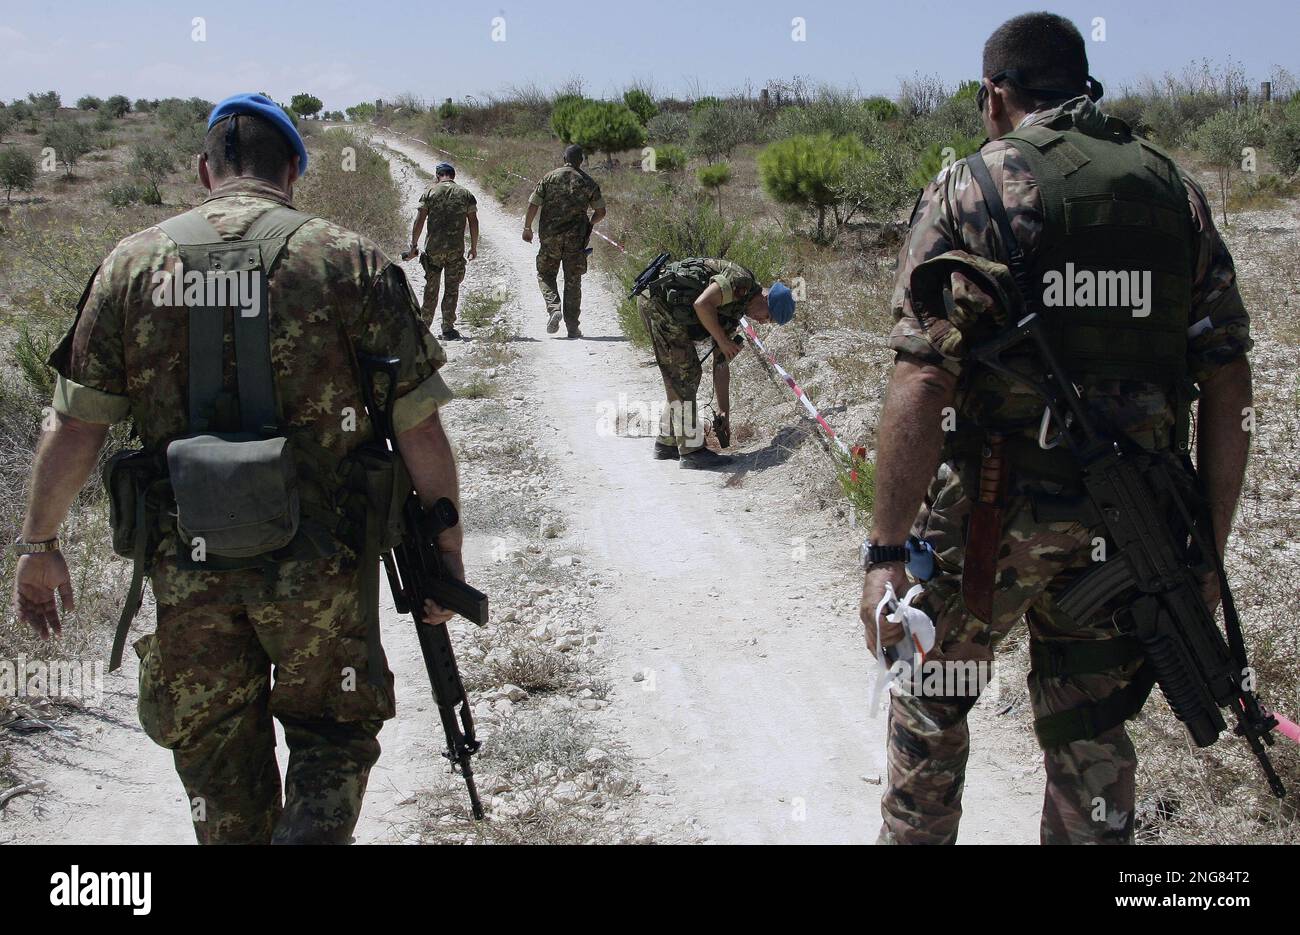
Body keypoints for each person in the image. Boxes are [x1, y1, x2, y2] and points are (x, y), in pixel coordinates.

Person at [12, 93, 466, 845]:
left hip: (188, 566)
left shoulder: (131, 263)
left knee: (218, 760)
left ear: (203, 170)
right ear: (292, 170)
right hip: (323, 567)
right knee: (331, 735)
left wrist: (39, 545)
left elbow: (75, 425)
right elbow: (419, 426)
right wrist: (444, 553)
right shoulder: (350, 261)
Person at [860, 12, 1253, 844]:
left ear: (995, 96)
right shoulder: (1172, 191)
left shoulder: (971, 184)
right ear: (1083, 90)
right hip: (1132, 528)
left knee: (932, 710)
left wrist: (887, 552)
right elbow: (1227, 374)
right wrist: (1207, 551)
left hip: (990, 518)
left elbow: (923, 374)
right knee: (1092, 733)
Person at [637, 257, 794, 469]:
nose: (762, 322)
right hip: (658, 304)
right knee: (685, 373)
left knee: (686, 374)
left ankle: (667, 442)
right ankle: (692, 451)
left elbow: (721, 363)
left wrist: (724, 411)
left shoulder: (737, 310)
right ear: (765, 298)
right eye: (767, 317)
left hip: (669, 310)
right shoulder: (741, 282)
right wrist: (722, 339)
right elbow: (702, 304)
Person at [522, 144, 606, 338]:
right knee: (573, 281)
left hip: (550, 237)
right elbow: (601, 212)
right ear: (581, 161)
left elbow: (533, 203)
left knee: (545, 274)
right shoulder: (589, 183)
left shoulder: (549, 178)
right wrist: (590, 224)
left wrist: (527, 228)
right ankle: (572, 327)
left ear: (564, 158)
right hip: (576, 240)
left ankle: (554, 309)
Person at [401, 162, 478, 340]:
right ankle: (448, 328)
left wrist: (413, 247)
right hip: (455, 251)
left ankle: (424, 327)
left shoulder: (430, 192)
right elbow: (474, 221)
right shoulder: (465, 194)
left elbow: (419, 220)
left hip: (433, 250)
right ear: (453, 175)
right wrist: (474, 247)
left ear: (438, 176)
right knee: (452, 289)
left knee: (431, 289)